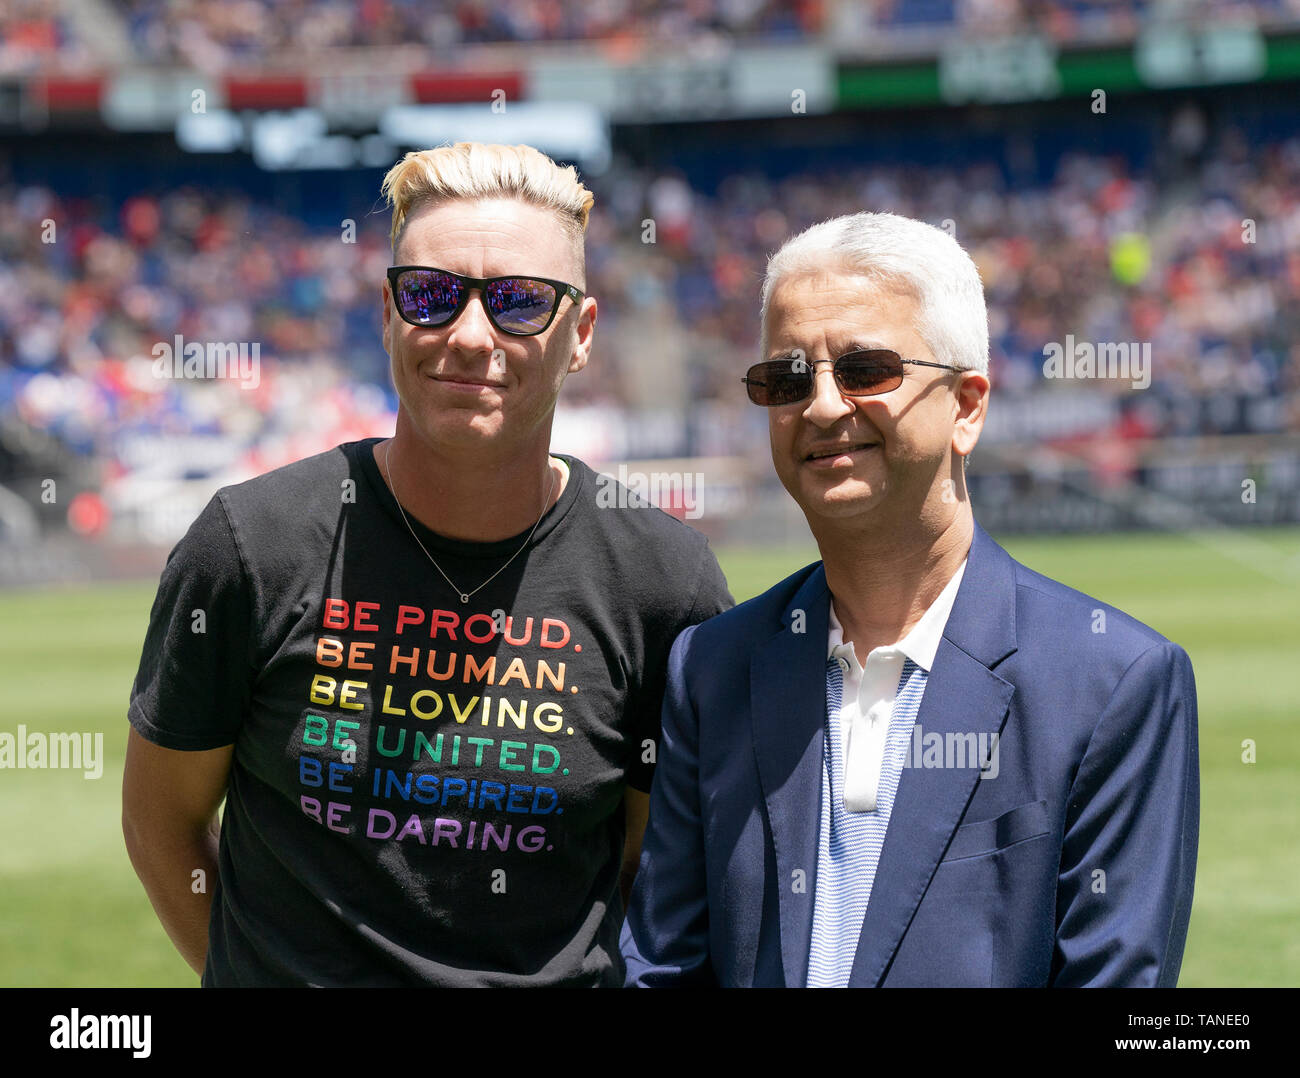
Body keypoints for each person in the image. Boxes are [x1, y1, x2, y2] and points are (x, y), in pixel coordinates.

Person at [122, 142, 733, 987]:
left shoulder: (664, 583)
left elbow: (645, 867)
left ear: (582, 333)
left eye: (521, 303)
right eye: (433, 296)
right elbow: (163, 826)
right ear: (387, 313)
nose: (470, 336)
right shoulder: (250, 544)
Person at [621, 211, 1199, 987]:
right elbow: (662, 967)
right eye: (788, 379)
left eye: (865, 371)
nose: (822, 406)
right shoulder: (713, 667)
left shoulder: (1115, 682)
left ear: (966, 406)